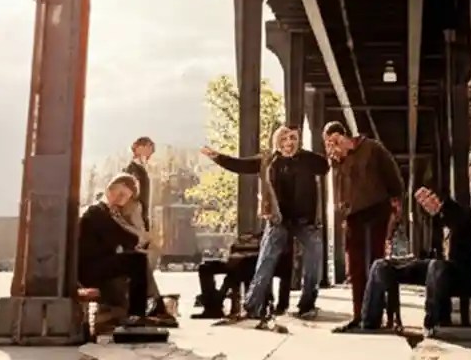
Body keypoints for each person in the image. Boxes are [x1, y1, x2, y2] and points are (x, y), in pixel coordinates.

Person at [202, 125, 328, 321]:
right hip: (279, 220)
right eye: (284, 140)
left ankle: (307, 304)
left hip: (305, 221)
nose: (288, 144)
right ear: (277, 142)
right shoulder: (268, 160)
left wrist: (306, 153)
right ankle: (253, 305)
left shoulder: (307, 160)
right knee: (266, 261)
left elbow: (325, 166)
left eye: (292, 139)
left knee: (314, 260)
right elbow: (240, 165)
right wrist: (217, 157)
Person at [322, 121, 404, 332]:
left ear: (342, 135)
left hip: (377, 207)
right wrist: (337, 163)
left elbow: (391, 172)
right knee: (355, 266)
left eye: (334, 141)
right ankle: (360, 314)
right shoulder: (338, 161)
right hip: (353, 215)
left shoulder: (371, 147)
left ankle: (379, 314)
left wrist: (395, 200)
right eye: (328, 144)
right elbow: (338, 190)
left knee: (376, 262)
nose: (332, 146)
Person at [360, 187, 471, 335]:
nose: (427, 203)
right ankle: (369, 321)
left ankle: (432, 323)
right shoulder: (430, 221)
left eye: (430, 198)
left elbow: (458, 221)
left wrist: (443, 209)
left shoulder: (460, 215)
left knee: (436, 266)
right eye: (423, 201)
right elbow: (424, 253)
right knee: (381, 265)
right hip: (430, 266)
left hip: (455, 270)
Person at [77, 174, 153, 327]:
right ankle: (137, 314)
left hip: (97, 265)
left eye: (125, 197)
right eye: (119, 194)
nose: (120, 199)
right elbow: (123, 238)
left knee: (138, 260)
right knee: (138, 261)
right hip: (89, 270)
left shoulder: (106, 213)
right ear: (109, 190)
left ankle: (142, 309)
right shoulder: (97, 212)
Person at [121, 136, 175, 324]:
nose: (152, 151)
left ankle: (154, 303)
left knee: (147, 262)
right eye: (149, 147)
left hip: (140, 218)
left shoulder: (140, 170)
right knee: (144, 262)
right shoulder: (132, 170)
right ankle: (155, 304)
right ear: (138, 148)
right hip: (136, 219)